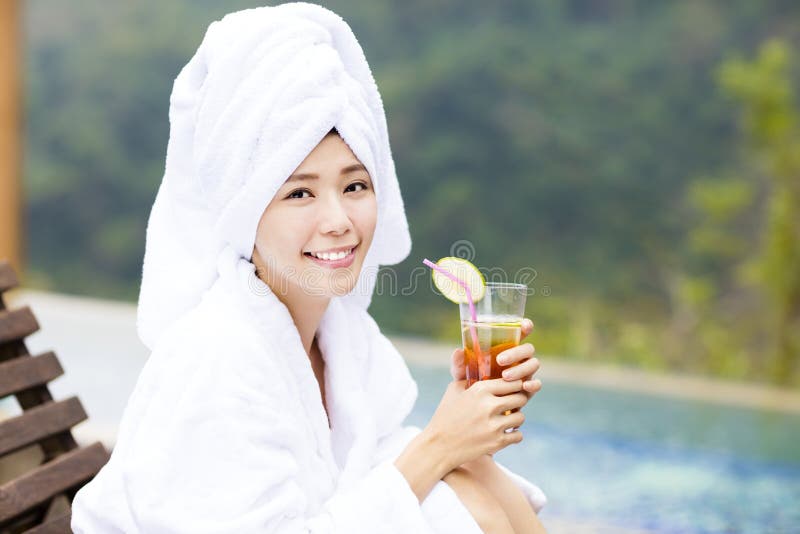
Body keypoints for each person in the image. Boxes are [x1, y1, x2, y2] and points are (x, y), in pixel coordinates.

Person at [71, 3, 547, 533]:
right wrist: (441, 443)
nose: (339, 221)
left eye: (355, 185)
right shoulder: (219, 359)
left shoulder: (343, 338)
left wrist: (469, 426)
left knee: (471, 481)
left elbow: (394, 467)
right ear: (246, 209)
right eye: (300, 193)